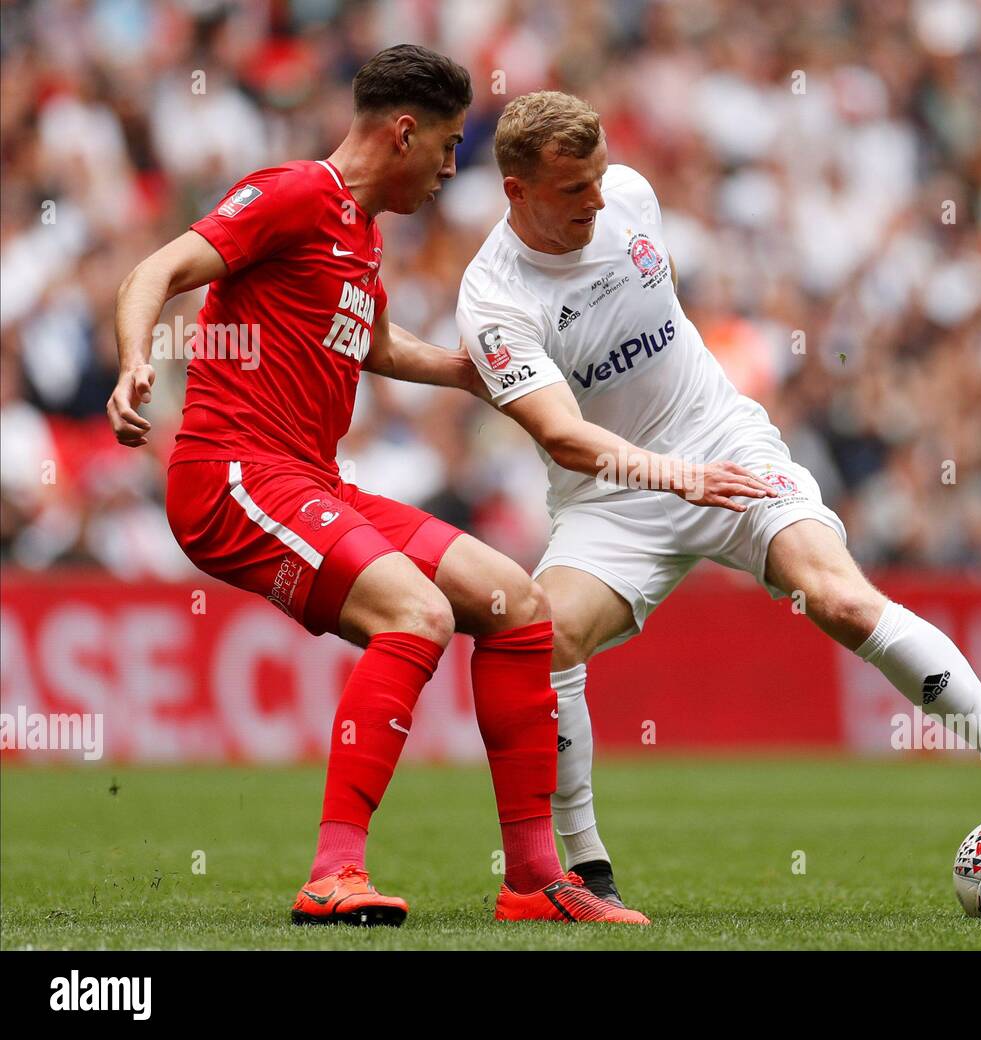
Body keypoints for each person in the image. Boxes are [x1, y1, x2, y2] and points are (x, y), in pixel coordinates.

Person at [455, 91, 981, 907]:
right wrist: (673, 476)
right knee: (544, 635)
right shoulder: (494, 297)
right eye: (575, 190)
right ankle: (587, 869)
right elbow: (566, 437)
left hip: (726, 446)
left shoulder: (632, 197)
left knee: (838, 599)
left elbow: (664, 324)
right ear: (516, 190)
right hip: (611, 497)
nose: (599, 201)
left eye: (600, 177)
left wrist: (696, 455)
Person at [108, 50, 666, 926]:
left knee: (516, 604)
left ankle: (532, 882)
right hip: (232, 474)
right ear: (403, 132)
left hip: (312, 479)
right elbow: (156, 272)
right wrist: (139, 359)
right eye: (445, 148)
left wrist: (469, 373)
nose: (451, 170)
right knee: (419, 613)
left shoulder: (359, 233)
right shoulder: (293, 192)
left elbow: (368, 343)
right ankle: (333, 872)